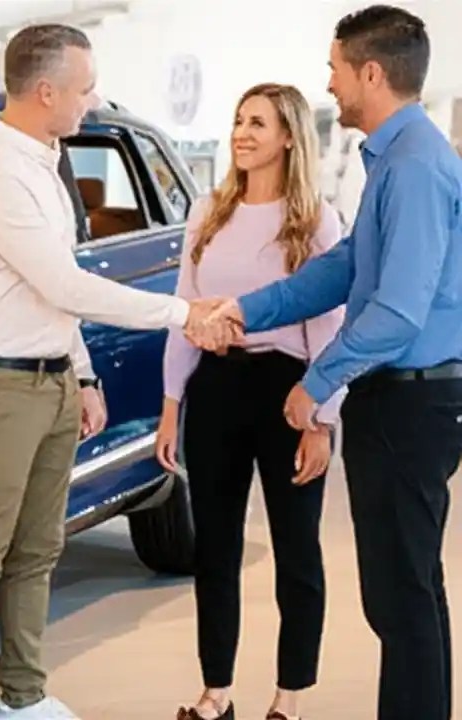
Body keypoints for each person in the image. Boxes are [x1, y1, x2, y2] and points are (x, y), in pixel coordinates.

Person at [0, 23, 222, 720]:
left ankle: (22, 698)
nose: (92, 103)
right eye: (85, 89)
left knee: (37, 551)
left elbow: (51, 294)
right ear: (45, 90)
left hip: (50, 379)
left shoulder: (45, 158)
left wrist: (83, 376)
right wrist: (183, 314)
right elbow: (65, 284)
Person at [194, 6, 462, 719]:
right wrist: (251, 309)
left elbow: (399, 310)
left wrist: (315, 383)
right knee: (406, 593)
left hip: (409, 403)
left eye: (337, 71)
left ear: (371, 73)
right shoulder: (396, 161)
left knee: (401, 599)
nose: (331, 86)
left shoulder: (414, 166)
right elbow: (347, 267)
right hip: (400, 400)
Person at [159, 83, 346, 720]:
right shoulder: (208, 212)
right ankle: (216, 692)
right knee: (215, 546)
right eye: (239, 120)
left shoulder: (316, 220)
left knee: (297, 550)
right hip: (215, 387)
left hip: (289, 389)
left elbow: (330, 323)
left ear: (289, 137)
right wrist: (170, 403)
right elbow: (184, 311)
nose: (242, 133)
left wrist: (322, 417)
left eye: (258, 123)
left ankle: (288, 697)